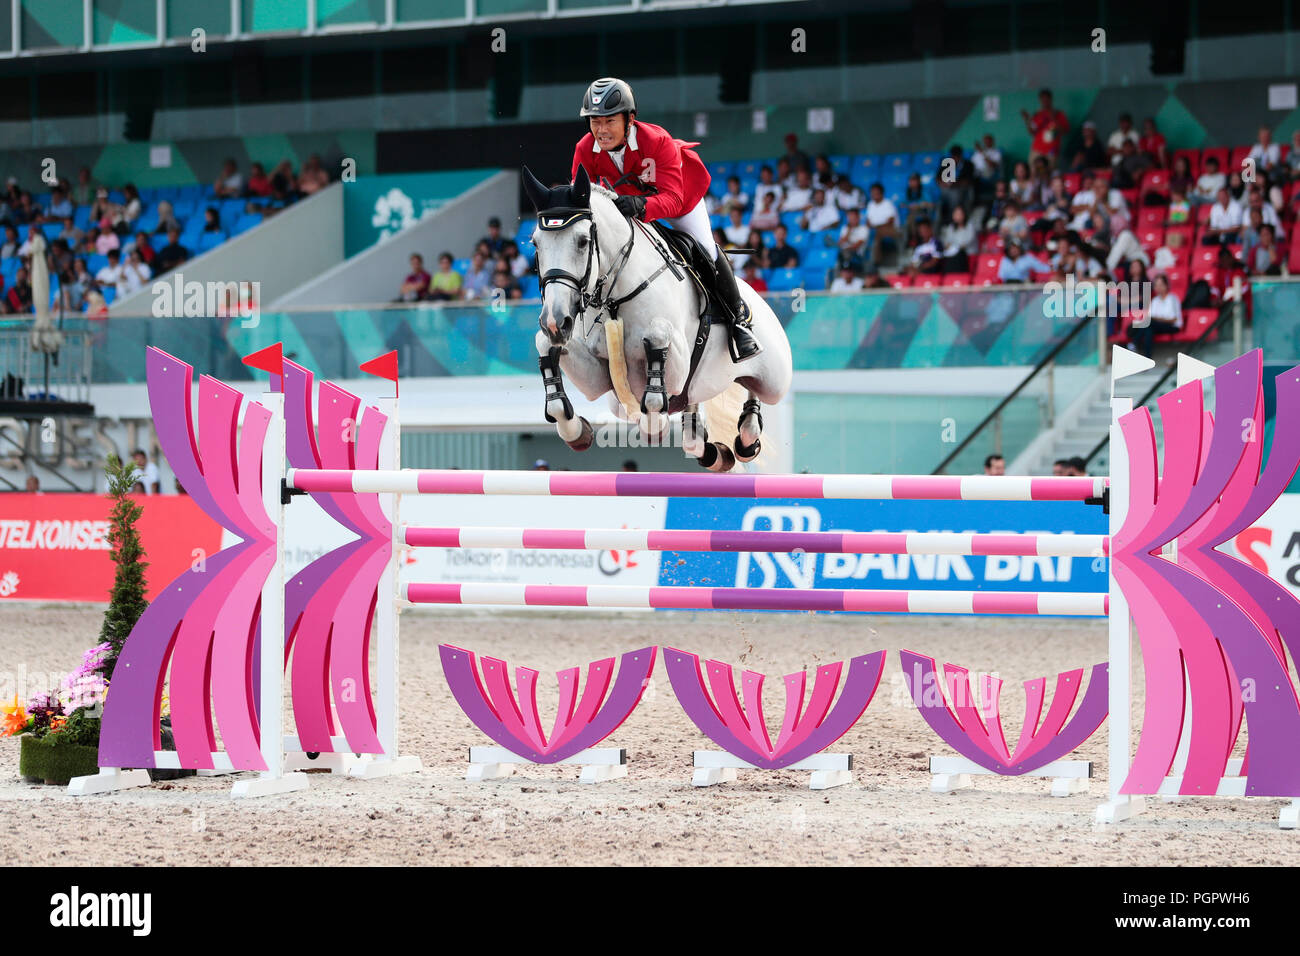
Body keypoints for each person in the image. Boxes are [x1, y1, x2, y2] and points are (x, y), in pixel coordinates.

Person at [570, 77, 760, 360]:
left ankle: (738, 322)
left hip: (680, 200)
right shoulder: (585, 149)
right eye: (595, 122)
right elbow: (579, 198)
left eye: (609, 121)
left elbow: (674, 199)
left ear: (630, 119)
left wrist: (640, 204)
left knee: (705, 247)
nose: (601, 130)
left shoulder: (657, 141)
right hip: (629, 206)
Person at [1129, 274, 1182, 358]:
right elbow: (1150, 317)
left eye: (1161, 285)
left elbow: (1173, 320)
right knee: (1148, 330)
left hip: (1172, 327)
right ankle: (1147, 358)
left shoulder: (1172, 299)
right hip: (1156, 326)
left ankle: (1134, 342)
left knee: (1148, 324)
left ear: (1167, 285)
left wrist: (1156, 319)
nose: (1158, 288)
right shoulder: (1155, 300)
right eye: (1156, 285)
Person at [1022, 88, 1068, 168]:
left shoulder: (1059, 114)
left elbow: (1065, 131)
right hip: (1037, 150)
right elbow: (1032, 132)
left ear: (1051, 99)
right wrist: (1027, 120)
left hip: (1051, 151)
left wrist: (1053, 117)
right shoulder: (1037, 115)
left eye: (1047, 99)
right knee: (1034, 172)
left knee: (1049, 174)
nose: (1045, 102)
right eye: (1042, 99)